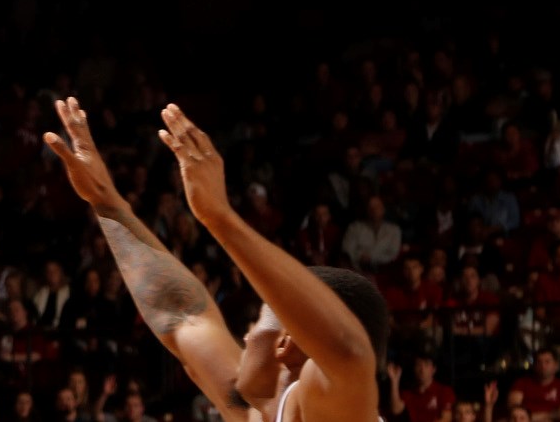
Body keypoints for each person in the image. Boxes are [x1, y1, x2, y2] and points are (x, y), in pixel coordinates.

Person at [43, 97, 388, 422]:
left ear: (287, 341)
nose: (247, 335)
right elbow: (182, 314)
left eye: (259, 317)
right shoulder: (260, 412)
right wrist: (107, 202)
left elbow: (349, 352)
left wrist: (221, 217)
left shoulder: (343, 408)